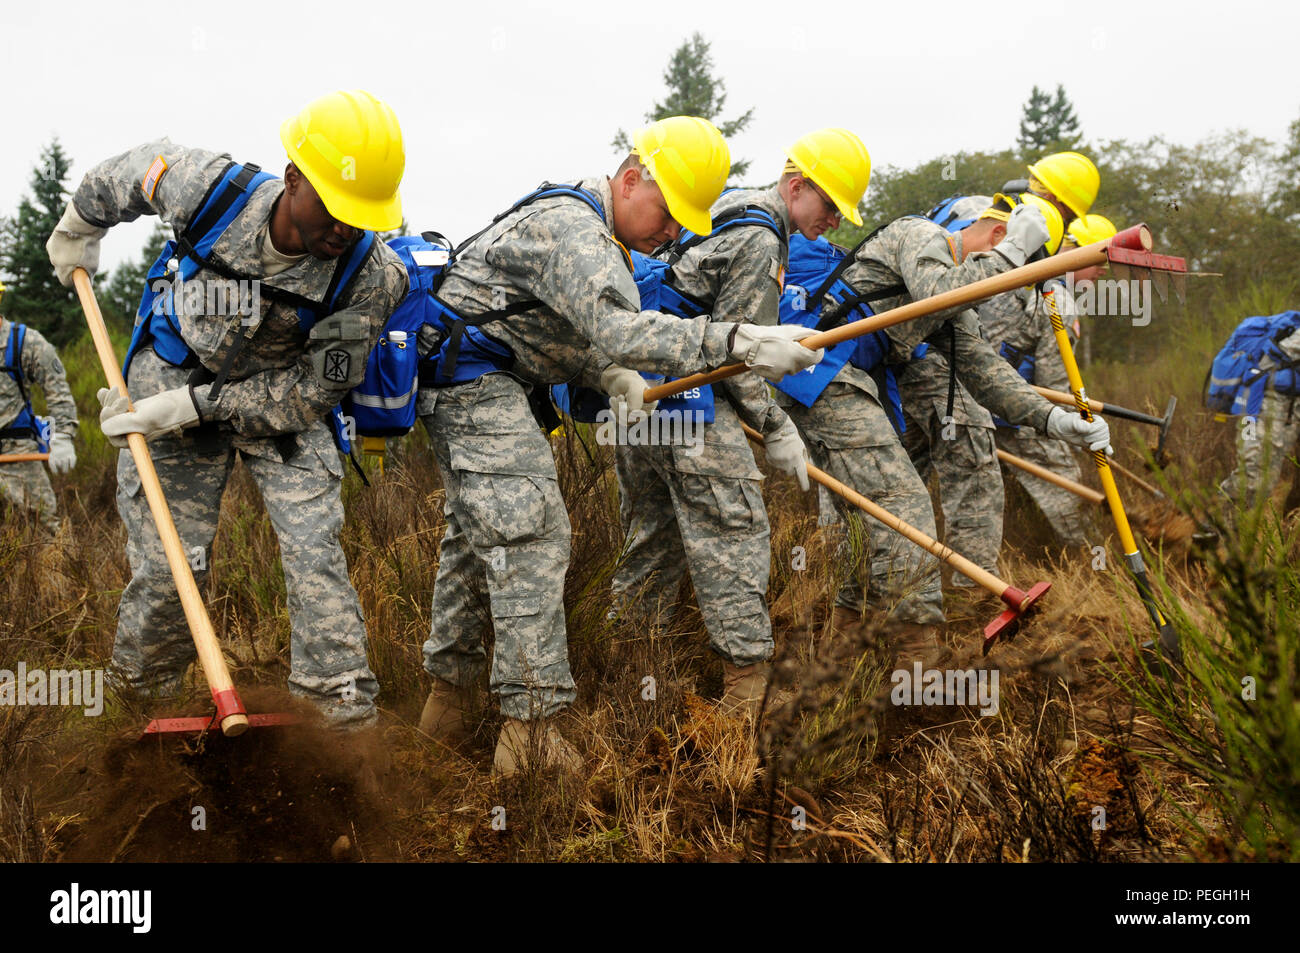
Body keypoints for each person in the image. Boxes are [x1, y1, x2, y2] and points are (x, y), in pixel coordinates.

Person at [410, 116, 825, 775]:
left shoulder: (592, 227)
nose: (672, 232)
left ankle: (448, 706)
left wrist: (602, 373)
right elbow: (617, 326)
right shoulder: (579, 230)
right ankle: (532, 738)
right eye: (666, 213)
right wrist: (735, 341)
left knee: (472, 540)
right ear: (630, 179)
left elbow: (549, 321)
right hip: (474, 381)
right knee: (534, 535)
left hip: (471, 379)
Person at [45, 89, 409, 727]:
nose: (345, 229)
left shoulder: (370, 280)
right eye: (335, 207)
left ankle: (340, 724)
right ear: (293, 176)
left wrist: (201, 407)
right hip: (174, 367)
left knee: (316, 556)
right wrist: (80, 225)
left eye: (362, 216)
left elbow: (312, 391)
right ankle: (139, 712)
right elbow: (130, 172)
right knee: (169, 566)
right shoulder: (208, 190)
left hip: (278, 402)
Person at [770, 194, 1111, 663]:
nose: (1007, 289)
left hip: (856, 379)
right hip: (824, 368)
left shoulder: (955, 299)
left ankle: (843, 651)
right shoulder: (922, 236)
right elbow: (940, 291)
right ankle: (919, 656)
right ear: (996, 237)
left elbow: (985, 372)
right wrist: (1013, 254)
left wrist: (1056, 421)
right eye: (1009, 272)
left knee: (868, 516)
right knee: (904, 504)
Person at [610, 128, 867, 720]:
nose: (833, 222)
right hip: (690, 404)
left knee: (652, 541)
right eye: (830, 206)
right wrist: (776, 426)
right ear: (796, 186)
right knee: (735, 534)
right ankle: (744, 703)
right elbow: (739, 355)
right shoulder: (759, 238)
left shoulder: (725, 209)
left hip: (641, 401)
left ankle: (624, 676)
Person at [0, 280, 78, 531]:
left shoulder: (26, 342)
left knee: (45, 528)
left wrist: (62, 436)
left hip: (17, 452)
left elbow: (58, 392)